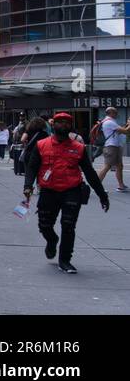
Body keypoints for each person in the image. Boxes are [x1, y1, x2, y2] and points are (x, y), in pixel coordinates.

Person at [22, 111, 110, 273]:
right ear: (53, 125)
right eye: (59, 122)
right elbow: (32, 167)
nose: (63, 125)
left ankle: (65, 260)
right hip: (48, 191)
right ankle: (52, 239)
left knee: (68, 226)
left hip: (72, 190)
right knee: (44, 224)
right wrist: (28, 185)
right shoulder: (42, 145)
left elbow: (89, 173)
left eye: (66, 123)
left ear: (70, 126)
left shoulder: (79, 148)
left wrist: (102, 195)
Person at [94, 107, 129, 193]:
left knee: (119, 166)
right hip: (111, 147)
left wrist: (127, 125)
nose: (117, 114)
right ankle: (97, 187)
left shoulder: (110, 121)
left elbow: (120, 131)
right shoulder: (109, 122)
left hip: (114, 146)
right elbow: (125, 131)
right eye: (116, 112)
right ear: (111, 113)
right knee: (107, 166)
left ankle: (121, 186)